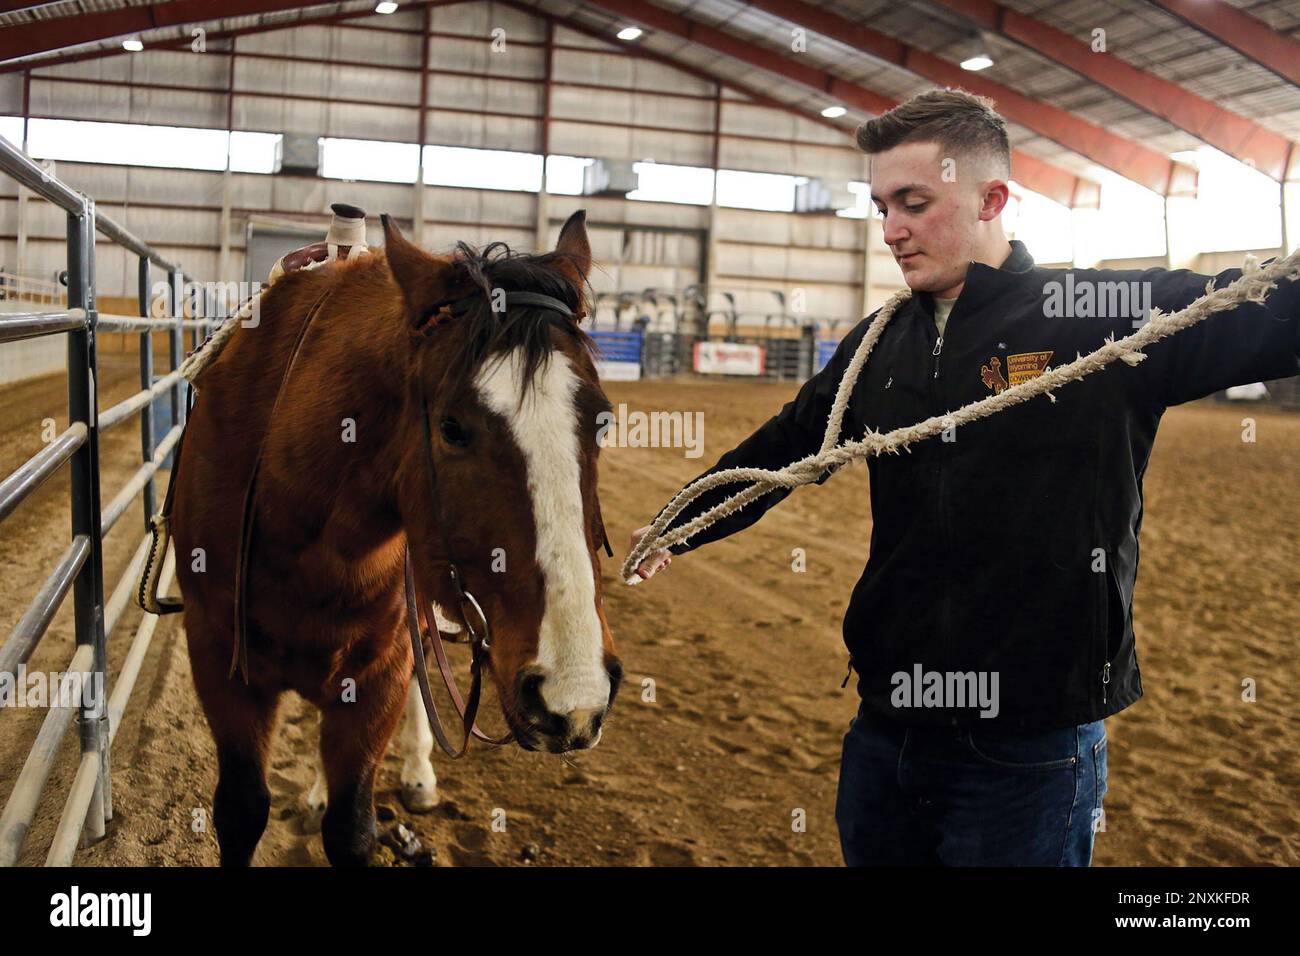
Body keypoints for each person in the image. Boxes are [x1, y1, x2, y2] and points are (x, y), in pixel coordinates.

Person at [628, 89, 1299, 866]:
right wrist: (687, 523)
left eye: (914, 203)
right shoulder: (880, 341)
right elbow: (783, 449)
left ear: (993, 198)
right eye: (881, 207)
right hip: (888, 727)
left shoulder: (1092, 314)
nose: (892, 230)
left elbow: (1266, 311)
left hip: (1028, 743)